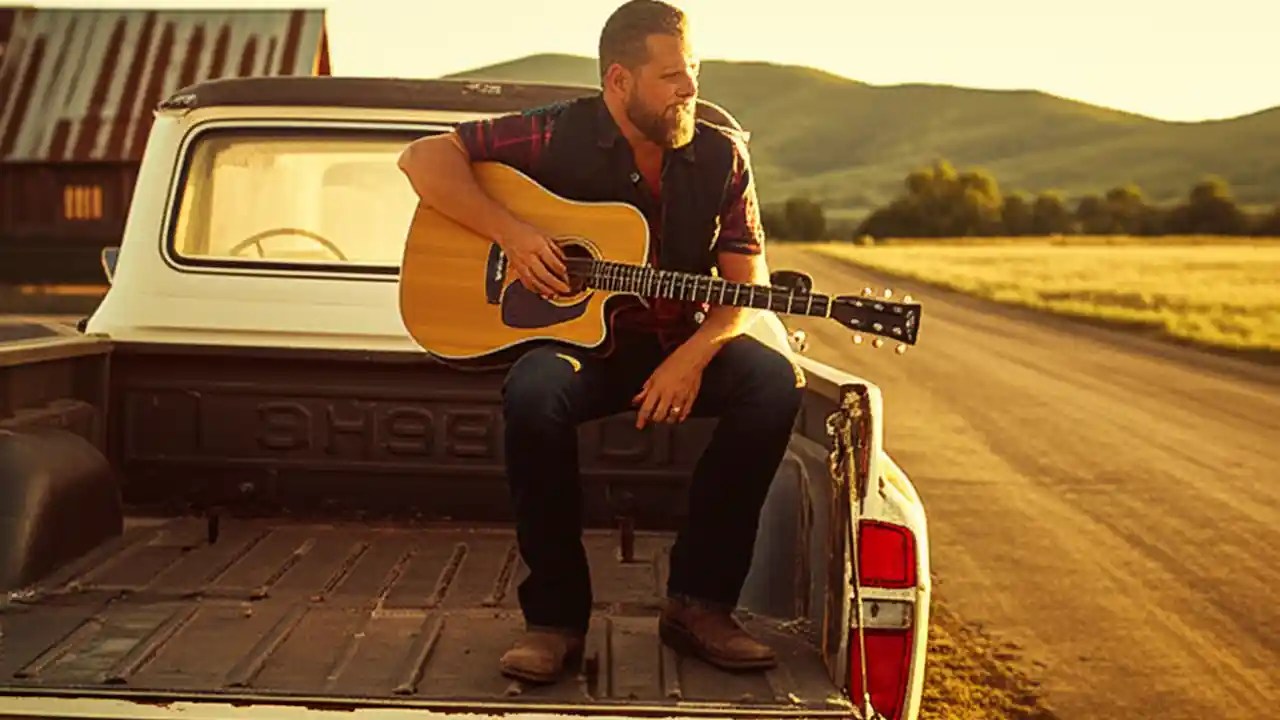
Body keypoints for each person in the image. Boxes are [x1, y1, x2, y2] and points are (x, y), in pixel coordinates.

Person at [397, 0, 804, 684]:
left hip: (678, 343)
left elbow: (745, 282)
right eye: (672, 75)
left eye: (695, 70)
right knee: (535, 390)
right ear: (619, 81)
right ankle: (554, 621)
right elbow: (423, 157)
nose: (691, 88)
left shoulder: (720, 156)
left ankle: (698, 604)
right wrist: (514, 234)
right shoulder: (554, 136)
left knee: (771, 383)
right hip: (582, 348)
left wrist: (691, 357)